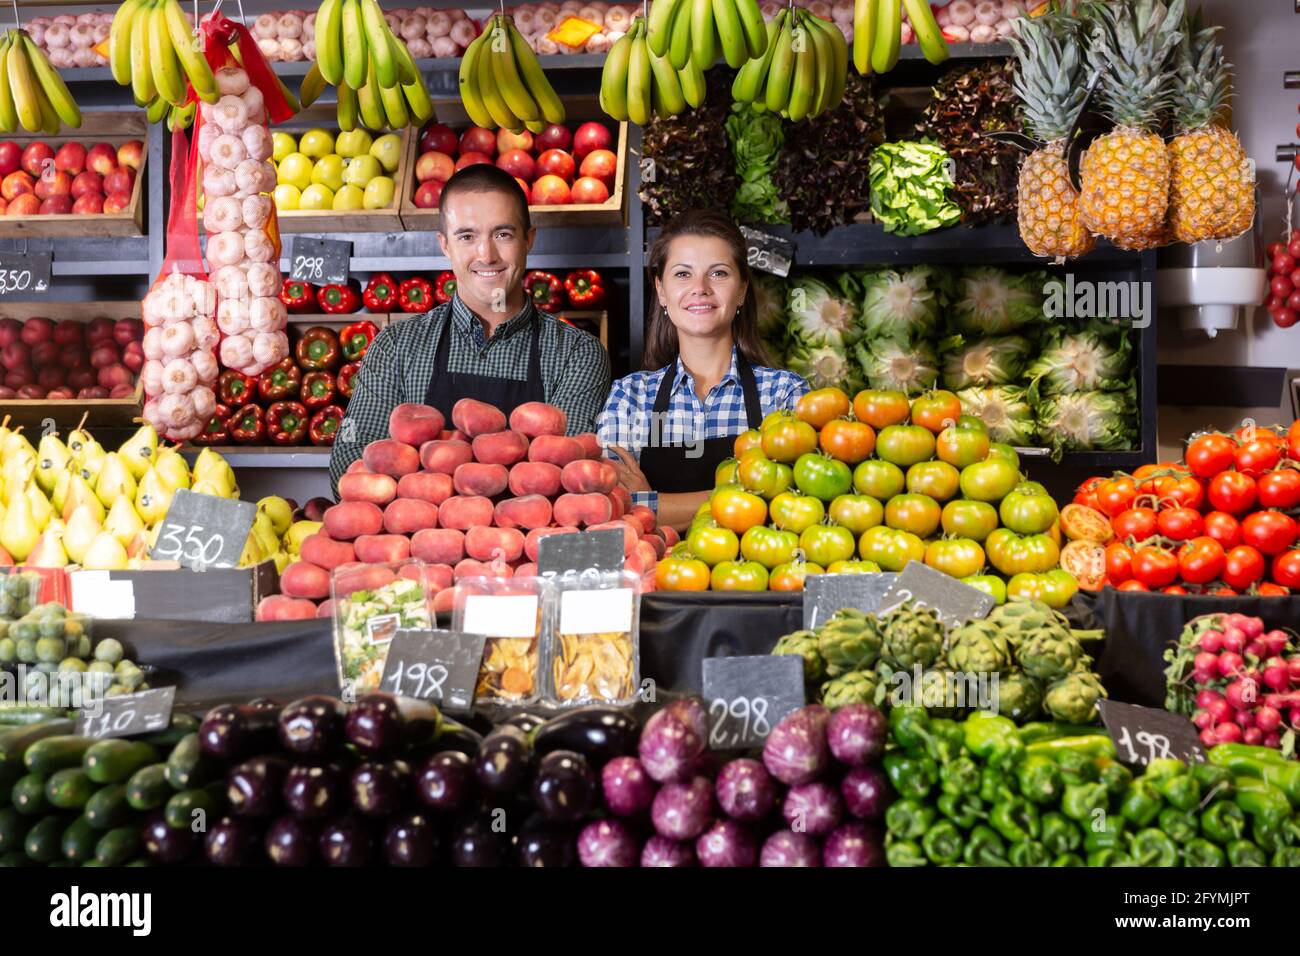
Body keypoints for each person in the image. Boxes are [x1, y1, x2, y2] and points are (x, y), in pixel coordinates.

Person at [329, 164, 611, 491]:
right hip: (414, 539)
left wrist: (422, 480)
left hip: (528, 536)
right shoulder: (397, 346)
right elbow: (349, 463)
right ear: (444, 244)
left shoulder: (577, 353)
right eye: (467, 236)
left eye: (502, 234)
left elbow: (567, 475)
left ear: (528, 240)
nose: (486, 254)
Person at [598, 209, 809, 531]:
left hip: (755, 578)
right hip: (657, 575)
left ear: (741, 290)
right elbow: (612, 506)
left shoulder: (785, 394)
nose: (700, 287)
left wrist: (652, 503)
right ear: (661, 291)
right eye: (683, 274)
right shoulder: (630, 396)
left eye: (719, 273)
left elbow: (798, 505)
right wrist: (751, 497)